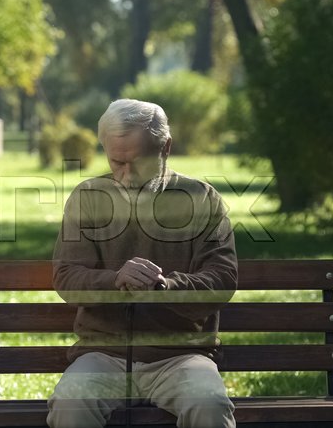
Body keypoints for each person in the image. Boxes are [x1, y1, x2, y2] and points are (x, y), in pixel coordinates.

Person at [47, 99, 238, 428]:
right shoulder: (88, 197)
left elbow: (221, 280)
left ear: (165, 147)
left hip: (182, 357)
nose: (126, 174)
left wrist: (164, 286)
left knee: (209, 406)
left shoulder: (202, 199)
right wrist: (115, 280)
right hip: (103, 355)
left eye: (137, 162)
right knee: (70, 404)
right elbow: (66, 277)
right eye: (115, 162)